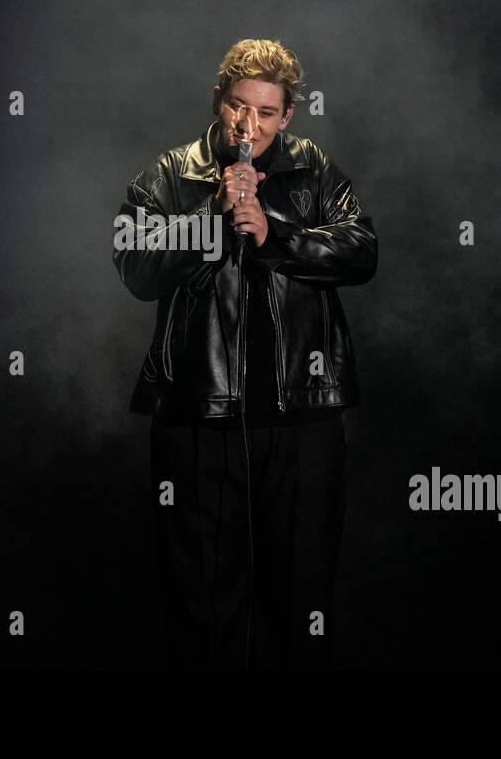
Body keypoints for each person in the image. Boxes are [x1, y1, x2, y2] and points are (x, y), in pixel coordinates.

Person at [112, 38, 378, 668]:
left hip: (302, 422)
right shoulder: (169, 175)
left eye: (264, 113)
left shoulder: (314, 169)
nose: (247, 126)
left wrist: (275, 233)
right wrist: (213, 212)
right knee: (201, 604)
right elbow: (137, 269)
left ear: (287, 117)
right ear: (217, 100)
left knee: (301, 599)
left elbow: (361, 252)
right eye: (237, 107)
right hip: (197, 419)